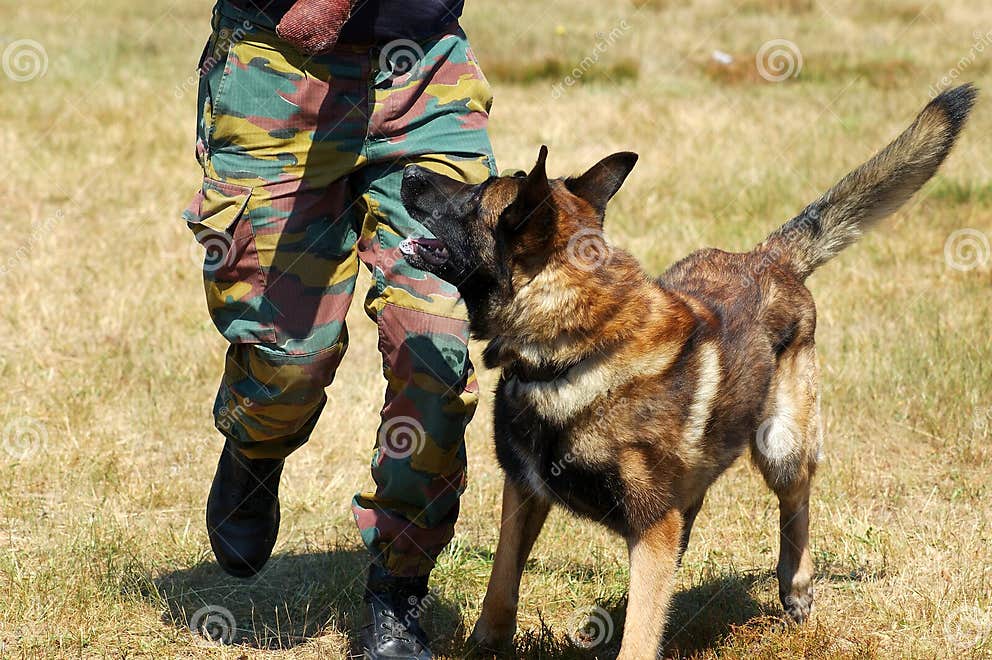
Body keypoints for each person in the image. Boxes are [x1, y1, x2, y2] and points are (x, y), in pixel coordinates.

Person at [182, 1, 495, 657]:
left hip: (423, 73)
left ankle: (398, 592)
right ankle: (257, 444)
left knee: (435, 348)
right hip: (275, 67)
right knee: (288, 358)